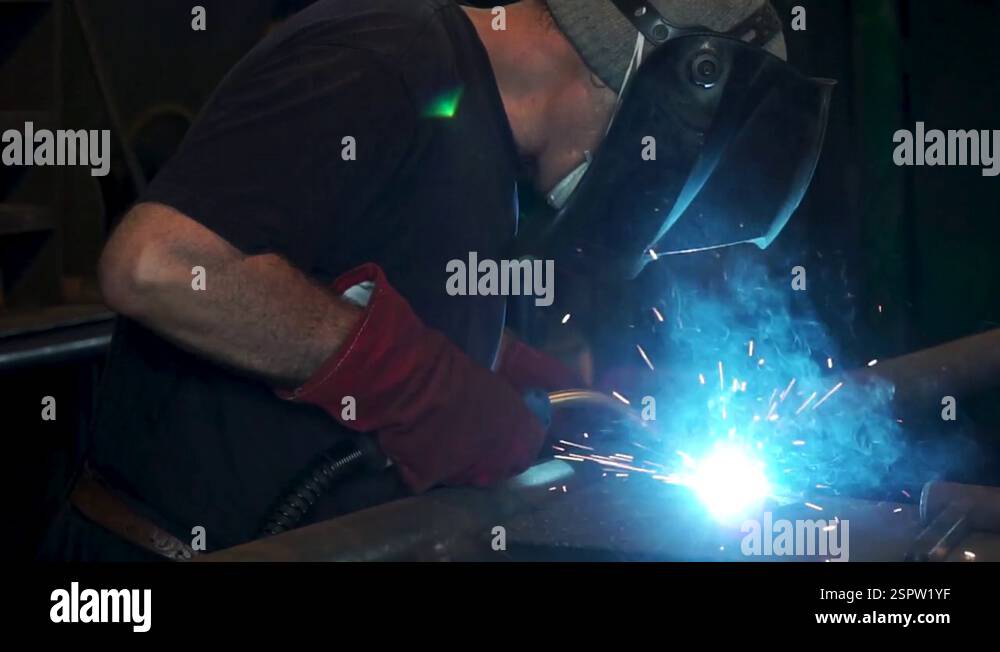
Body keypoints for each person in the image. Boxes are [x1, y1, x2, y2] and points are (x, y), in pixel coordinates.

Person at [41, 0, 796, 560]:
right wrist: (423, 385)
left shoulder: (484, 139)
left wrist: (525, 383)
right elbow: (158, 265)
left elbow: (356, 282)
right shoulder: (386, 58)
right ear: (645, 77)